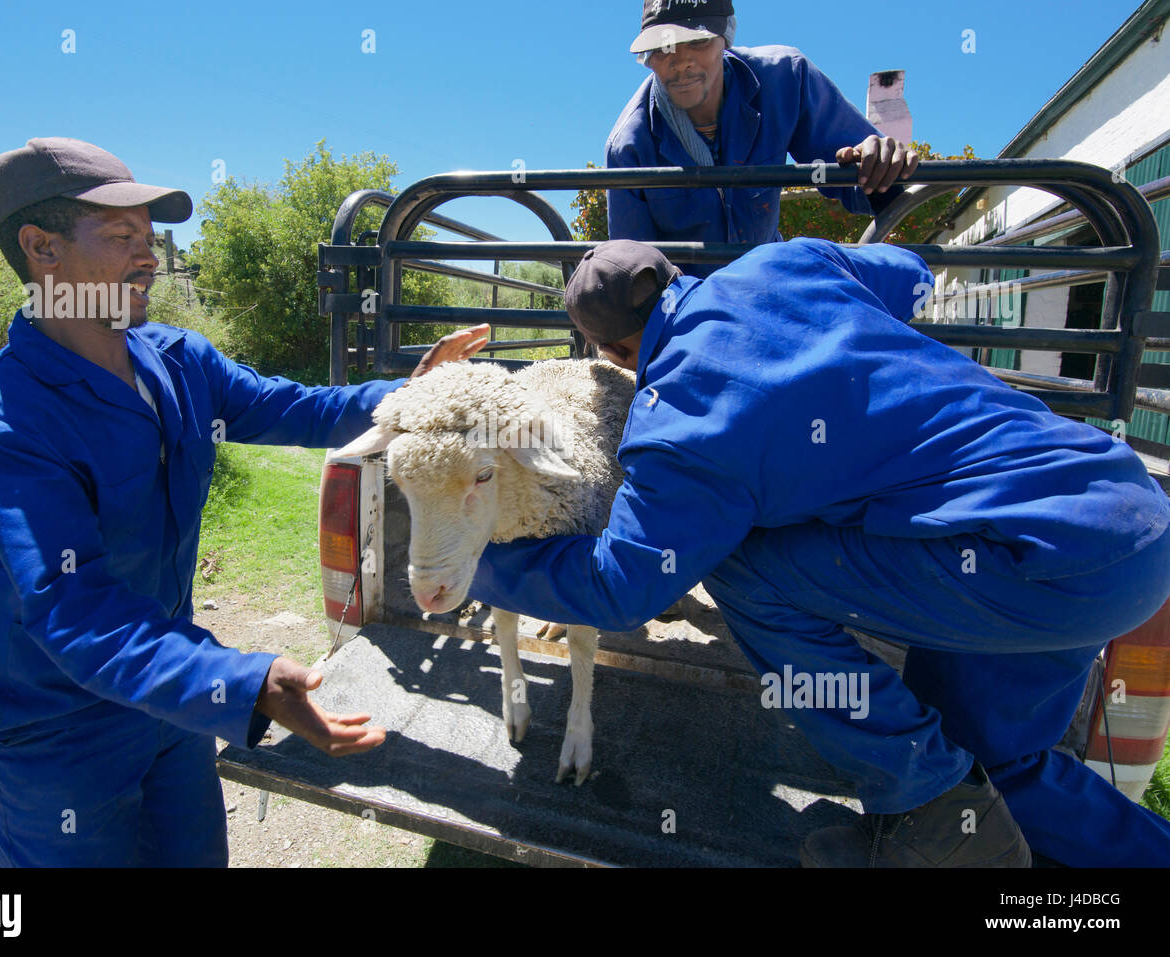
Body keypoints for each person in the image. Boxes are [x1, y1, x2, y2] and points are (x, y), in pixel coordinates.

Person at [465, 238, 1170, 867]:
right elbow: (914, 274)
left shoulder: (678, 419)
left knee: (742, 565)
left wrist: (475, 565)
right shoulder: (787, 260)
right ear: (676, 274)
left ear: (612, 353)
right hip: (1123, 510)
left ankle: (925, 806)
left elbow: (621, 588)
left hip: (1032, 563)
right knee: (1001, 759)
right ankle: (995, 825)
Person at [0, 137, 488, 866]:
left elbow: (295, 407)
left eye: (150, 236)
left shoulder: (177, 360)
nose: (150, 257)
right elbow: (76, 613)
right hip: (57, 721)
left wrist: (409, 393)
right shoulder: (2, 420)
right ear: (41, 248)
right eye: (121, 236)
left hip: (171, 694)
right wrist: (245, 682)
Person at [607, 0, 921, 274]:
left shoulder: (786, 79)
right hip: (688, 311)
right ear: (648, 58)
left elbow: (862, 185)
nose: (681, 60)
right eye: (663, 48)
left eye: (698, 41)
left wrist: (876, 164)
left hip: (767, 285)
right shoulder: (629, 145)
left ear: (726, 37)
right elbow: (636, 273)